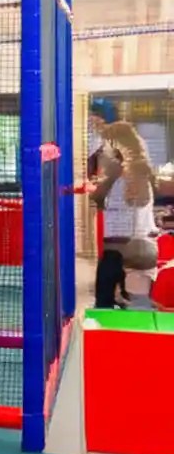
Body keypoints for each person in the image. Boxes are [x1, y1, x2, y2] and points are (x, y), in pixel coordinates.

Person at [89, 104, 160, 309]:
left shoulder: (130, 176)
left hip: (130, 252)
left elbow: (137, 200)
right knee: (123, 305)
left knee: (132, 307)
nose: (102, 155)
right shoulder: (124, 175)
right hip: (127, 251)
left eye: (105, 150)